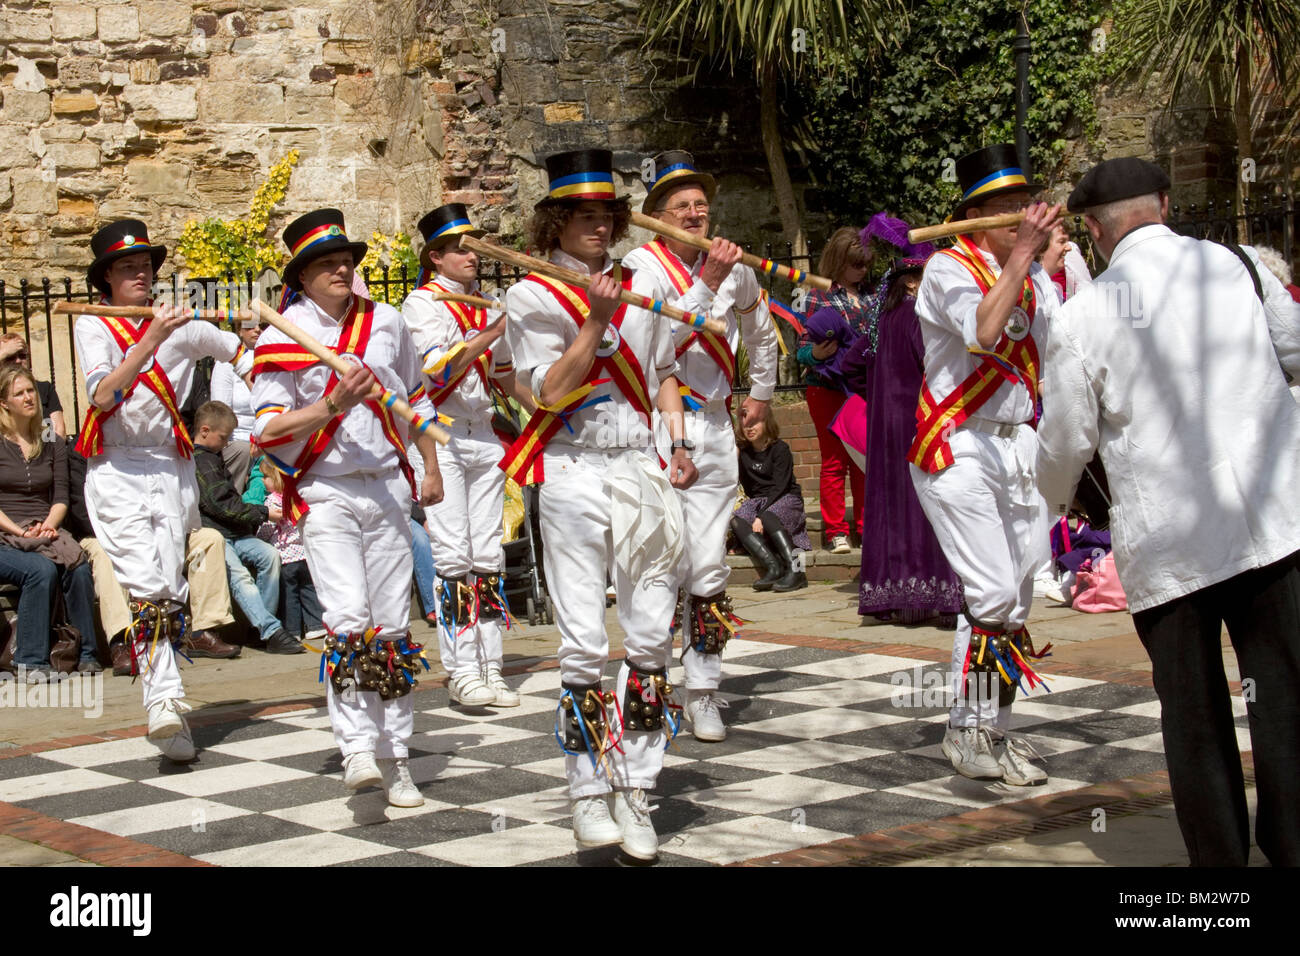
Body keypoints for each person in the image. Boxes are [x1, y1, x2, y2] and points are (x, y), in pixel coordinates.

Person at [1036, 156, 1300, 866]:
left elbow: (1066, 438)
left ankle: (1219, 867)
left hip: (1171, 543)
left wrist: (1052, 503)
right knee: (1283, 693)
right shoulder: (1239, 267)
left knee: (1193, 712)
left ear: (1093, 231)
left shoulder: (1085, 312)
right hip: (1270, 527)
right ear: (1162, 203)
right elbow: (1296, 348)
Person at [504, 148, 697, 860]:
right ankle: (587, 792)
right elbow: (548, 392)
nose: (596, 225)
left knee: (650, 639)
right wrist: (594, 322)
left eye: (606, 214)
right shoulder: (529, 294)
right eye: (582, 215)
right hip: (572, 469)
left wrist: (677, 441)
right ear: (556, 220)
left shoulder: (643, 278)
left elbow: (668, 371)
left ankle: (637, 787)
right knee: (584, 643)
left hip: (641, 469)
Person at [251, 208, 443, 808]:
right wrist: (331, 404)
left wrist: (431, 467)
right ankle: (356, 746)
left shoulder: (385, 321)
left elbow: (416, 397)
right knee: (348, 614)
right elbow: (267, 429)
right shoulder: (280, 335)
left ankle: (398, 753)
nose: (341, 270)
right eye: (327, 264)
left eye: (346, 261)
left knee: (391, 622)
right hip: (326, 489)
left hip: (388, 484)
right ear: (302, 276)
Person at [907, 144, 1062, 786]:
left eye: (1020, 206)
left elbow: (1062, 352)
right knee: (992, 589)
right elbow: (985, 333)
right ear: (971, 216)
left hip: (1017, 443)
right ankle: (967, 732)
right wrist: (1025, 256)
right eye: (999, 208)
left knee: (1019, 595)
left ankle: (990, 730)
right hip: (957, 442)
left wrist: (1049, 270)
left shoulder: (1035, 275)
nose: (1014, 216)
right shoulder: (948, 266)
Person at [73, 218, 251, 763]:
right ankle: (165, 701)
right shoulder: (93, 324)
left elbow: (238, 351)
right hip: (118, 463)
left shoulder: (183, 325)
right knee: (145, 582)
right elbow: (103, 396)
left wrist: (247, 337)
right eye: (128, 268)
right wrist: (151, 337)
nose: (142, 275)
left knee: (170, 581)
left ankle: (167, 706)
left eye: (147, 266)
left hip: (170, 466)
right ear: (106, 279)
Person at [620, 150, 779, 743]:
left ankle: (704, 690)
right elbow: (652, 353)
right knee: (661, 559)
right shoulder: (644, 266)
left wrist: (759, 393)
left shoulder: (736, 269)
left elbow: (761, 331)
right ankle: (650, 681)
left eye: (700, 204)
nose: (694, 212)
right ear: (657, 213)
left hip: (713, 424)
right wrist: (704, 283)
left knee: (710, 561)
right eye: (680, 204)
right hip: (661, 424)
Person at [400, 203, 534, 708]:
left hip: (483, 434)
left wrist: (544, 413)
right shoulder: (422, 305)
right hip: (442, 435)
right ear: (436, 257)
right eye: (460, 248)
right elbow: (436, 375)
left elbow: (503, 375)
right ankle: (461, 669)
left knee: (489, 553)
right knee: (453, 554)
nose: (471, 255)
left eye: (474, 245)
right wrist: (487, 335)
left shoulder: (486, 304)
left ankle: (491, 665)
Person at [858, 257, 962, 625]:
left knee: (894, 507)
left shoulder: (879, 320)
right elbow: (937, 364)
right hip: (920, 421)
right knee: (932, 502)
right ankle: (942, 598)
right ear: (913, 283)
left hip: (884, 427)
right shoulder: (918, 316)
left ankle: (899, 597)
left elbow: (850, 363)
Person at [0, 365, 99, 679]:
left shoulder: (49, 438)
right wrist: (19, 530)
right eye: (20, 393)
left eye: (30, 390)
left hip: (43, 526)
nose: (29, 397)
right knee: (40, 570)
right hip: (5, 533)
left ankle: (86, 655)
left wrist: (48, 526)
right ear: (4, 403)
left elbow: (60, 495)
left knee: (78, 565)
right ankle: (31, 661)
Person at [193, 400, 300, 654]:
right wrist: (263, 513)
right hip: (216, 535)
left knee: (270, 555)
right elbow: (220, 505)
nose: (227, 442)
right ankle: (271, 630)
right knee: (239, 575)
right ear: (205, 431)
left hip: (235, 532)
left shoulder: (214, 457)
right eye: (223, 437)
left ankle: (258, 629)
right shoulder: (200, 462)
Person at [797, 227, 870, 552]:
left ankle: (866, 527)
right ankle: (835, 531)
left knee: (863, 458)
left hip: (861, 387)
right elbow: (799, 349)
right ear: (839, 261)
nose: (862, 270)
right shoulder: (816, 295)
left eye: (866, 263)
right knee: (833, 459)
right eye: (856, 263)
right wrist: (817, 354)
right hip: (825, 387)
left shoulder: (872, 297)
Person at [730, 414, 809, 592]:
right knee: (737, 520)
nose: (749, 428)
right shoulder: (744, 453)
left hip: (786, 497)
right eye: (745, 425)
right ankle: (774, 567)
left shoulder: (780, 449)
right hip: (759, 501)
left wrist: (759, 516)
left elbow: (781, 486)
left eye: (754, 423)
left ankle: (797, 571)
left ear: (766, 422)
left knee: (767, 516)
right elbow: (749, 488)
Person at [256, 457, 324, 642]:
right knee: (309, 590)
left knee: (289, 595)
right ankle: (316, 624)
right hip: (304, 554)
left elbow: (267, 530)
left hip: (286, 557)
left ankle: (292, 629)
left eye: (265, 476)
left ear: (275, 479)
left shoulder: (271, 503)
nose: (262, 480)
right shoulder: (296, 497)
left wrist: (259, 535)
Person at [210, 318, 261, 492]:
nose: (257, 330)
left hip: (267, 439)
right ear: (239, 330)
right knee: (244, 450)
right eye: (250, 326)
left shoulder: (276, 359)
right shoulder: (225, 363)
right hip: (236, 442)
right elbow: (220, 412)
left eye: (262, 325)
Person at [0, 332, 67, 438]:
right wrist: (2, 352)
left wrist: (55, 453)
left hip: (46, 451)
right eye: (10, 357)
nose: (17, 361)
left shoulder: (44, 388)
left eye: (22, 356)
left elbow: (59, 429)